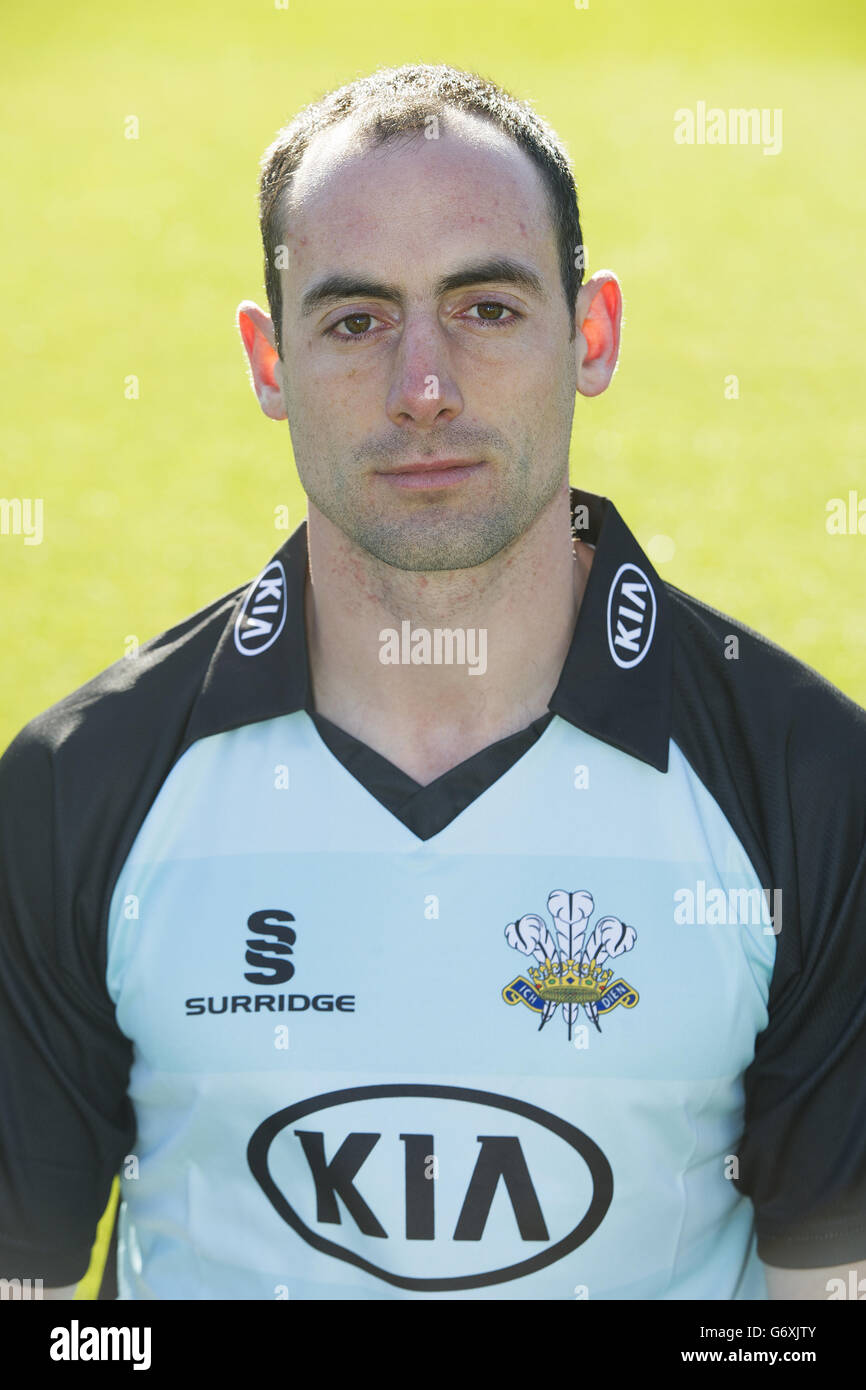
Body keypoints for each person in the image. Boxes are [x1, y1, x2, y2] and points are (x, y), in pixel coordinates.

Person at [1, 62, 865, 1302]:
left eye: (485, 309)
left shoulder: (806, 784)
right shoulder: (75, 790)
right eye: (354, 321)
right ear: (267, 361)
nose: (422, 390)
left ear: (592, 333)